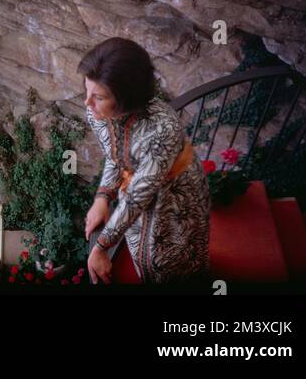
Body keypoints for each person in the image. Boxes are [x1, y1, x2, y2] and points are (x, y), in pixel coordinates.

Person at [78, 37, 211, 287]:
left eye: (98, 96)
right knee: (143, 256)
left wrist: (102, 245)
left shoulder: (164, 130)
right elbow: (114, 155)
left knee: (171, 260)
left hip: (175, 196)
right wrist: (102, 198)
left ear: (126, 96)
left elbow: (139, 195)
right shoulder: (97, 113)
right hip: (137, 196)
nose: (87, 103)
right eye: (86, 91)